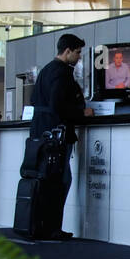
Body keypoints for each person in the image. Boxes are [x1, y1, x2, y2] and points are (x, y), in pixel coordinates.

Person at [31, 33, 94, 239]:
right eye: (77, 52)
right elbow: (58, 105)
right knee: (60, 180)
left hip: (41, 133)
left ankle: (40, 225)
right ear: (67, 51)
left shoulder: (45, 71)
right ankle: (52, 227)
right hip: (56, 135)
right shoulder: (62, 73)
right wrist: (80, 113)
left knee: (48, 179)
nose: (79, 57)